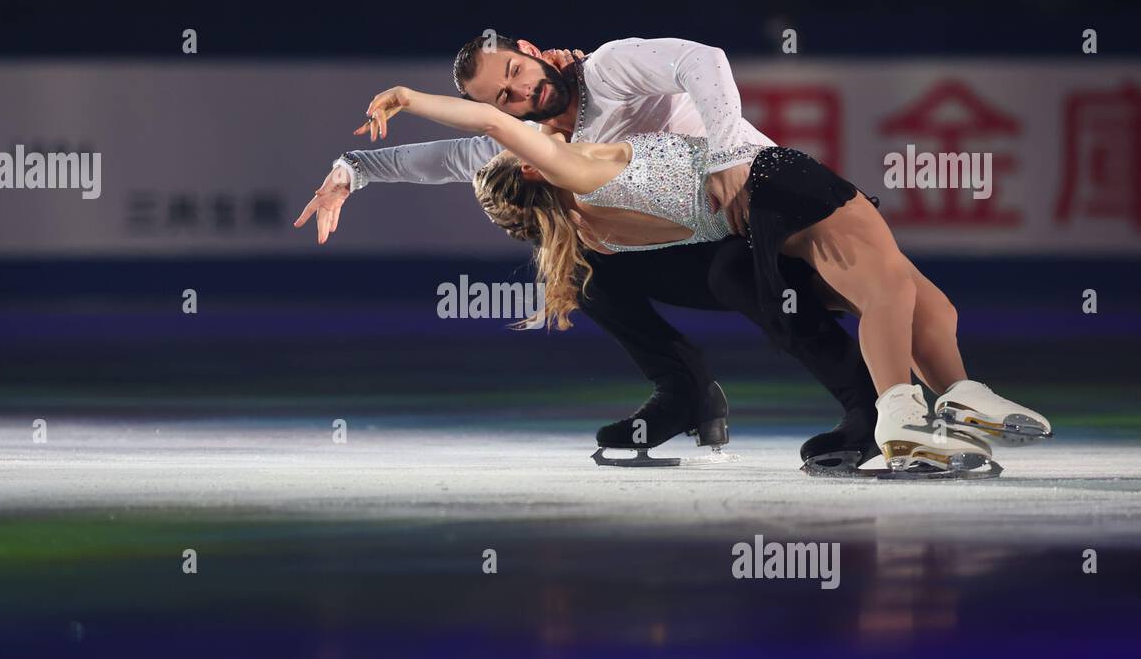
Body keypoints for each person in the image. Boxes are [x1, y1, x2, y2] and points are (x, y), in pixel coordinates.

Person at [346, 82, 1053, 473]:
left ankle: (954, 397)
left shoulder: (590, 222)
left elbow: (484, 149)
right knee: (893, 290)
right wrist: (409, 98)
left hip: (759, 214)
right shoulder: (579, 173)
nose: (531, 124)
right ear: (533, 166)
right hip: (778, 183)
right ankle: (905, 415)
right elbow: (489, 129)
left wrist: (359, 170)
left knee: (910, 295)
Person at [296, 36, 880, 469]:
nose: (522, 90)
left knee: (735, 272)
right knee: (578, 266)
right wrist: (353, 170)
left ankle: (868, 408)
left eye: (517, 71)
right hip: (698, 244)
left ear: (531, 51)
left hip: (768, 214)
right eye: (505, 96)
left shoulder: (608, 69)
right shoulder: (543, 141)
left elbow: (705, 60)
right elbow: (453, 157)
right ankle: (686, 394)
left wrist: (728, 154)